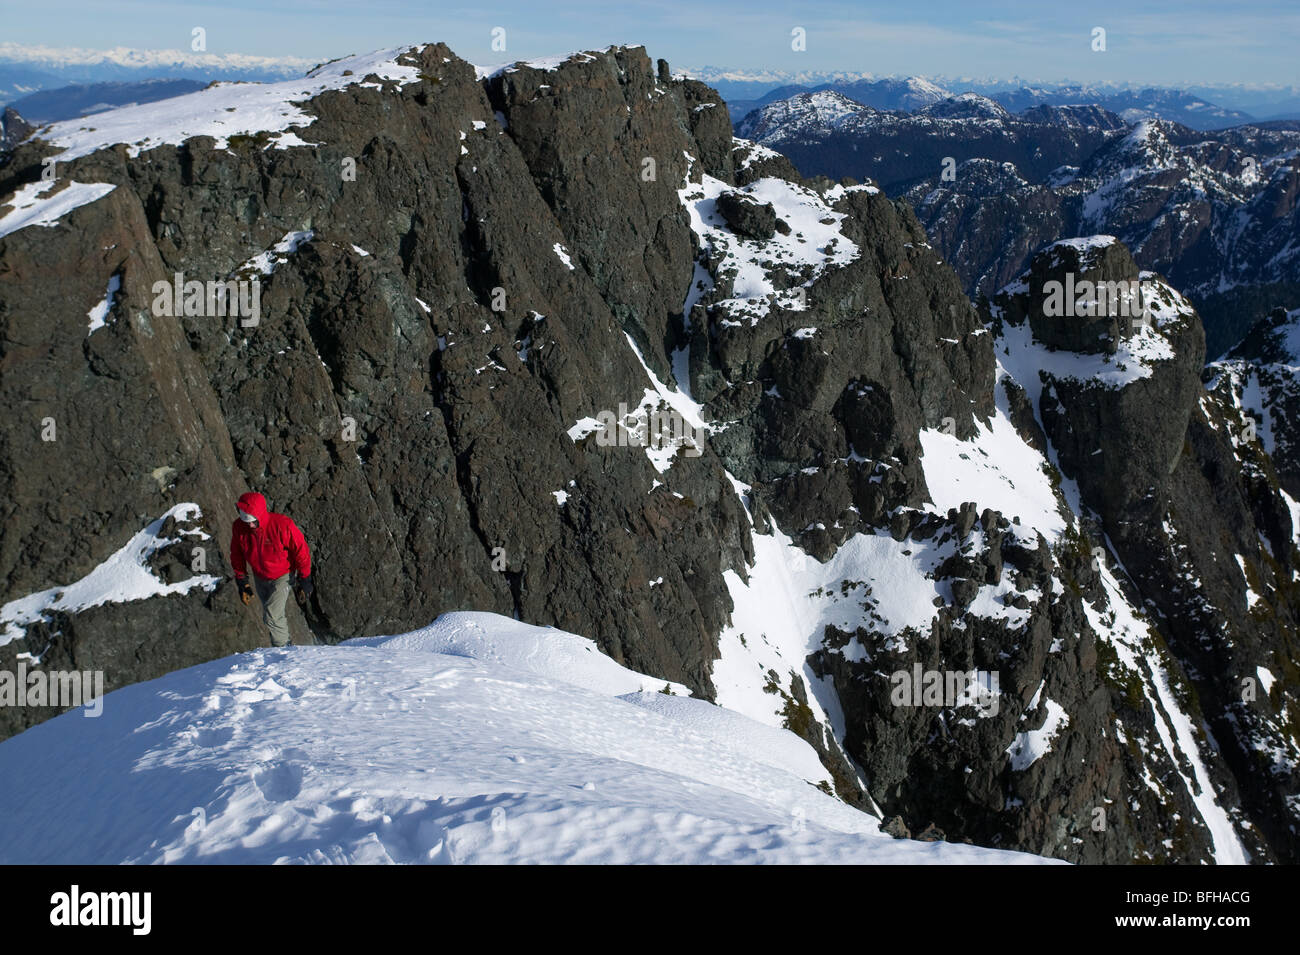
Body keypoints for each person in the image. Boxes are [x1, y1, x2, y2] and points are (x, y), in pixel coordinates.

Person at [228, 491, 313, 648]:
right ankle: (282, 647)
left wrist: (305, 578)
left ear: (260, 515)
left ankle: (284, 650)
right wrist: (242, 581)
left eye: (253, 521)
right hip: (260, 577)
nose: (250, 526)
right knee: (272, 616)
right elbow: (237, 554)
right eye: (246, 521)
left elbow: (301, 549)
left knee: (272, 616)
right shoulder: (239, 527)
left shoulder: (282, 525)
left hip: (283, 575)